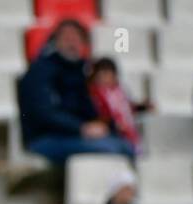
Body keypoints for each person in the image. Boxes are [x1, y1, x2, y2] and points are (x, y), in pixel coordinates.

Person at [18, 19, 134, 165]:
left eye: (77, 39)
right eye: (66, 38)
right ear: (55, 41)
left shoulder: (81, 73)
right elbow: (43, 113)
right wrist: (81, 128)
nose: (72, 43)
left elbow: (90, 111)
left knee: (126, 146)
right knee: (112, 148)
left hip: (75, 137)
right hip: (46, 138)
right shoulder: (40, 72)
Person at [88, 57, 151, 154]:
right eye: (102, 76)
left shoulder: (119, 91)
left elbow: (128, 109)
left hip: (127, 133)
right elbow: (97, 114)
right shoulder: (93, 94)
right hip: (110, 133)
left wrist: (142, 107)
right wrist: (113, 125)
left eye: (109, 75)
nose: (106, 80)